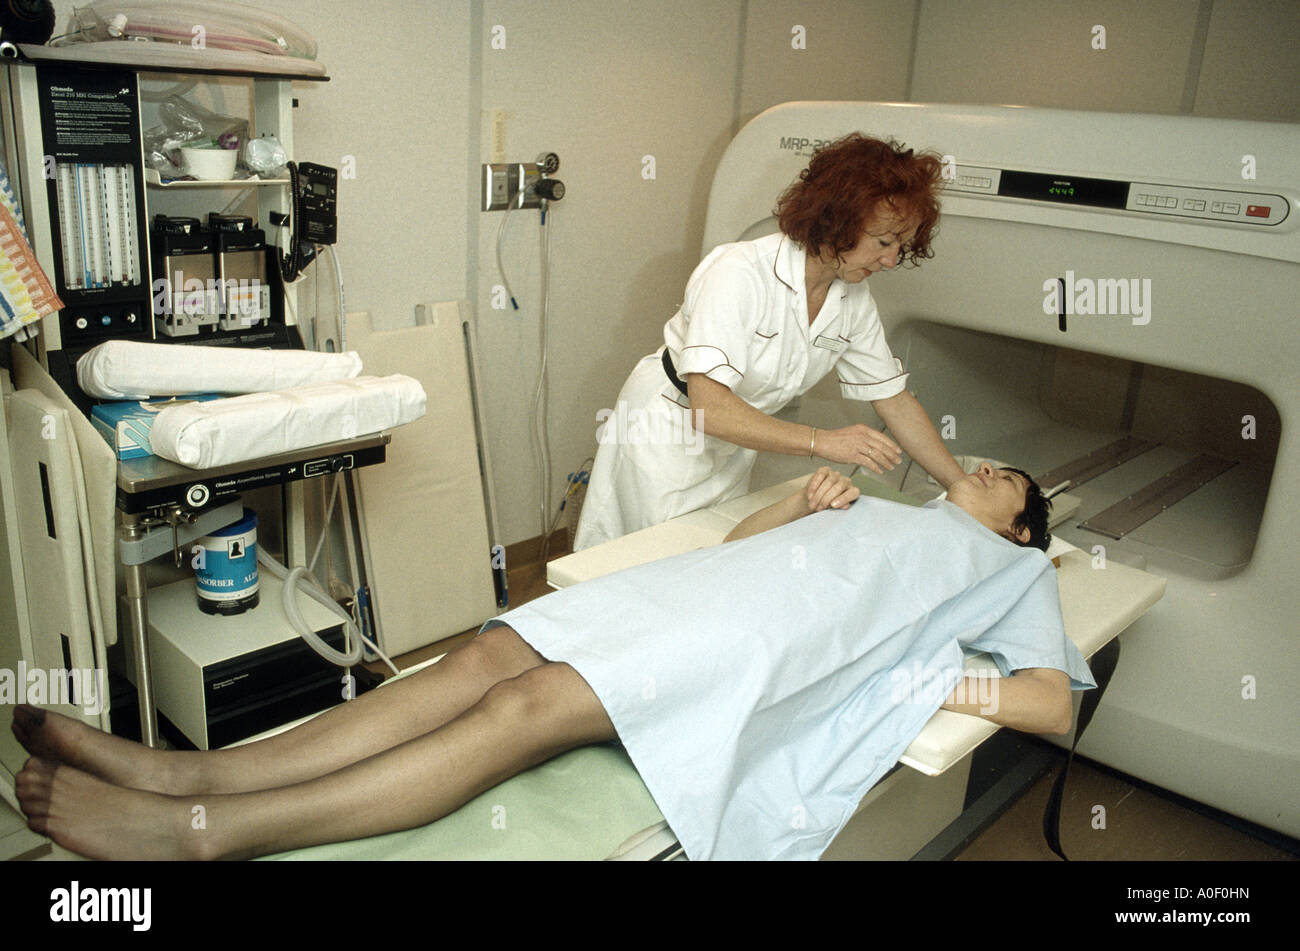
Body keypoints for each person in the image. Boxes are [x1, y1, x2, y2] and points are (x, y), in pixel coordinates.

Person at [13, 463, 1093, 861]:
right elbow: (738, 551)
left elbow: (1050, 705)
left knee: (524, 704)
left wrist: (905, 682)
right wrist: (795, 504)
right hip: (707, 595)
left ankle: (206, 832)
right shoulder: (887, 509)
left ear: (1017, 528)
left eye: (1003, 478)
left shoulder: (1007, 572)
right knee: (467, 664)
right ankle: (185, 772)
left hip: (765, 645)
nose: (982, 469)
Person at [574, 132, 969, 551]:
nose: (891, 261)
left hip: (733, 445)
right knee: (642, 567)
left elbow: (895, 400)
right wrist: (823, 442)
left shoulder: (851, 297)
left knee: (717, 558)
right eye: (884, 242)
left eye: (901, 247)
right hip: (666, 435)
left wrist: (961, 488)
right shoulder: (740, 272)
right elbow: (709, 411)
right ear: (840, 219)